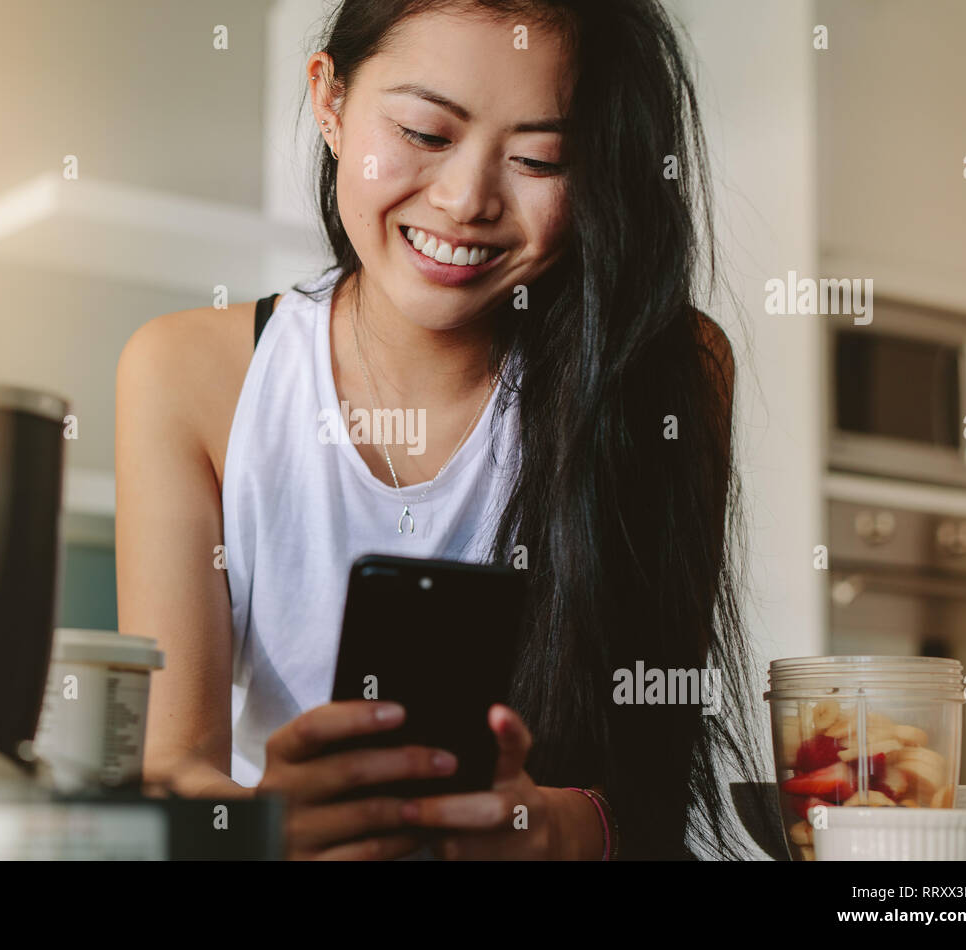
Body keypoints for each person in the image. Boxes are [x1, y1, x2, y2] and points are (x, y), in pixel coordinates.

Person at [117, 0, 766, 860]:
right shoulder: (188, 372)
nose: (466, 202)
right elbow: (172, 771)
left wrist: (554, 828)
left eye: (541, 158)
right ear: (332, 103)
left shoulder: (666, 369)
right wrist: (261, 823)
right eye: (426, 133)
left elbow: (648, 786)